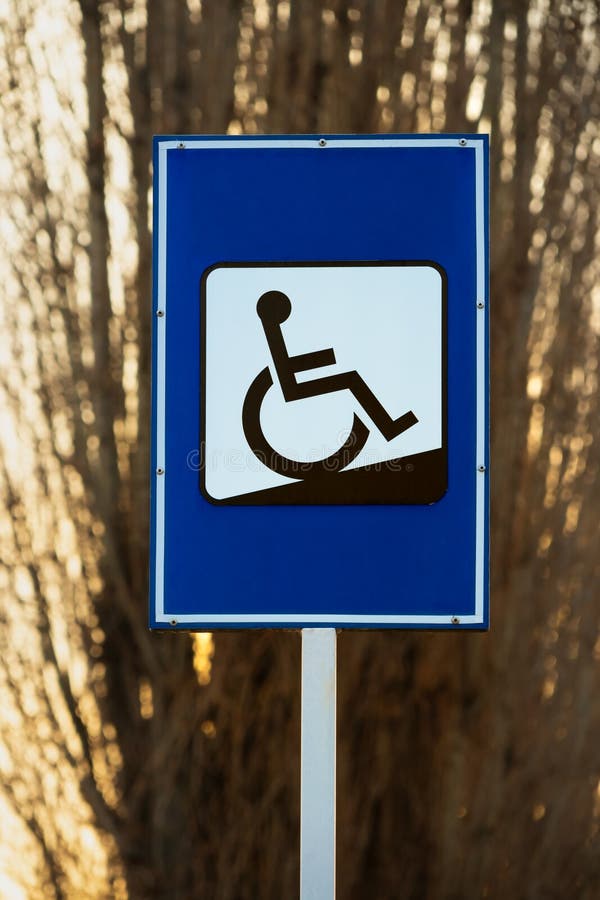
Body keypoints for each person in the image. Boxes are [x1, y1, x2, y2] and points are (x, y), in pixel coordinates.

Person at [256, 290, 418, 441]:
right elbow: (286, 367)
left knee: (351, 379)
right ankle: (389, 428)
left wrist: (323, 358)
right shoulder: (271, 328)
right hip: (292, 387)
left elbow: (287, 363)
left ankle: (389, 428)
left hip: (290, 382)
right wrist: (323, 358)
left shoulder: (271, 327)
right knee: (351, 379)